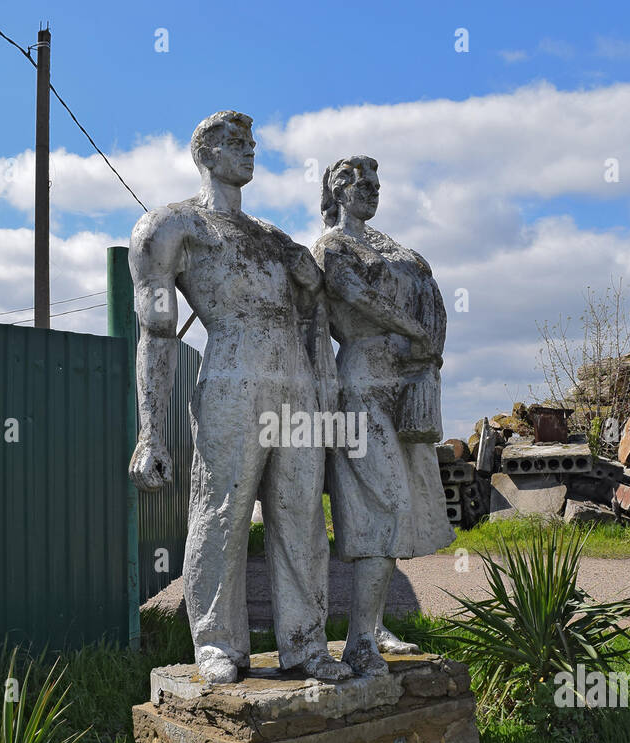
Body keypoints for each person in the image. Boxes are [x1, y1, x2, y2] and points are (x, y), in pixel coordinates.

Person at [128, 111, 351, 684]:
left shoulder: (274, 239)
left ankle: (304, 640)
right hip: (231, 373)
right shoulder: (171, 227)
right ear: (204, 153)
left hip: (294, 381)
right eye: (234, 142)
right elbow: (154, 332)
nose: (249, 151)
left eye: (252, 142)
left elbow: (316, 319)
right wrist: (150, 429)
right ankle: (217, 640)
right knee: (222, 509)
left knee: (301, 512)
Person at [312, 156, 454, 675]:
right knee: (384, 503)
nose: (371, 190)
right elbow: (355, 295)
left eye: (376, 182)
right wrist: (413, 331)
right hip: (362, 384)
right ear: (337, 189)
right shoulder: (333, 246)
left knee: (404, 507)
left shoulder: (399, 249)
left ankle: (368, 627)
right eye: (359, 183)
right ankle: (357, 642)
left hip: (407, 385)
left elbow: (434, 301)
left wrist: (428, 350)